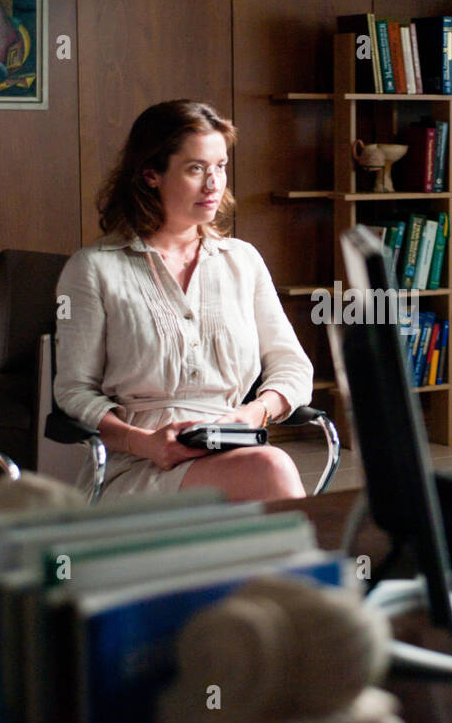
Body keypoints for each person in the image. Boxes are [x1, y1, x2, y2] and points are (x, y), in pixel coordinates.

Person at [55, 99, 312, 502]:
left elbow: (293, 367)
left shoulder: (242, 260)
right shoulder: (93, 268)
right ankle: (327, 562)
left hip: (233, 449)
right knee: (272, 468)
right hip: (137, 464)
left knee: (267, 468)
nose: (214, 184)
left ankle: (313, 562)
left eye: (221, 167)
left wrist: (255, 412)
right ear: (151, 174)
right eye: (196, 169)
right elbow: (73, 391)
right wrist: (146, 443)